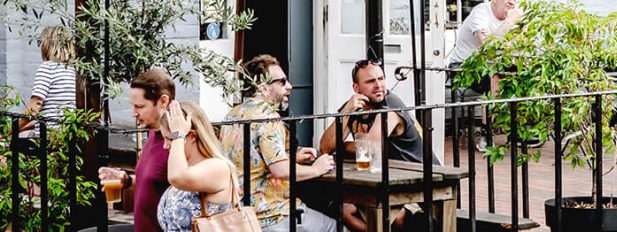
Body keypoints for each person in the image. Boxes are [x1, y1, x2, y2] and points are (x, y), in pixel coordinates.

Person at [319, 60, 439, 232]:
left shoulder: (391, 104)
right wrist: (345, 112)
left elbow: (371, 149)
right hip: (383, 182)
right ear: (356, 87)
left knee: (396, 219)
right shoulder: (354, 106)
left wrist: (344, 147)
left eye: (381, 79)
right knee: (342, 208)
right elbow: (325, 147)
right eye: (370, 81)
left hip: (418, 184)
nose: (378, 85)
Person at [221, 54, 337, 232]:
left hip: (240, 215)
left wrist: (290, 157)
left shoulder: (233, 114)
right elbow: (281, 171)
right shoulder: (268, 118)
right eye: (282, 82)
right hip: (272, 214)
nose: (289, 87)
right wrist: (317, 169)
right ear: (263, 88)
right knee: (335, 227)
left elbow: (253, 161)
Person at [97, 69, 177, 232]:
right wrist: (125, 180)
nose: (133, 113)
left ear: (163, 101)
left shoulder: (176, 143)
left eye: (139, 106)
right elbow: (153, 180)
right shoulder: (152, 132)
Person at [157, 101, 241, 232]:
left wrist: (178, 134)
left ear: (192, 136)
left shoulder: (218, 167)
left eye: (170, 139)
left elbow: (177, 177)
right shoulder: (184, 167)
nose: (165, 146)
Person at [447, 0, 522, 68]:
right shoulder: (480, 12)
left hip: (491, 66)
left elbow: (515, 46)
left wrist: (494, 36)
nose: (512, 2)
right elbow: (488, 44)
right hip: (463, 67)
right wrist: (509, 22)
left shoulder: (514, 16)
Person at [18, 26, 76, 134]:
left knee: (10, 142)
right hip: (70, 134)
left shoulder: (48, 68)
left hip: (49, 135)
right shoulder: (74, 70)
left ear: (48, 45)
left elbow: (33, 109)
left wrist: (9, 131)